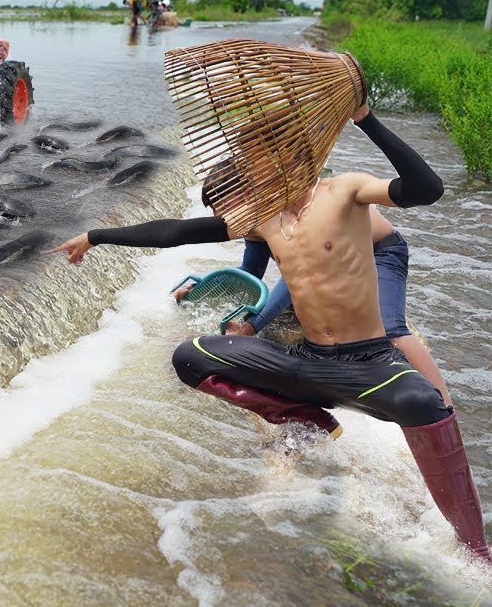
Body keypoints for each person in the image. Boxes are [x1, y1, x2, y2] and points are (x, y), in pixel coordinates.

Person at [47, 104, 491, 563]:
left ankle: (473, 548)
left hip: (368, 363)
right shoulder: (263, 219)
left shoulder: (345, 191)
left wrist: (365, 119)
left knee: (421, 402)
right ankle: (308, 418)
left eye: (251, 154)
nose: (244, 162)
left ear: (288, 155)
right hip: (308, 359)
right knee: (192, 357)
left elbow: (427, 188)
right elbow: (177, 232)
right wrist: (97, 236)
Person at [173, 207, 452, 408]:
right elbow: (249, 272)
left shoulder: (277, 211)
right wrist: (199, 291)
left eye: (224, 210)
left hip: (378, 250)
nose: (225, 222)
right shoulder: (251, 223)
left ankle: (444, 410)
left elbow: (291, 279)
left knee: (391, 331)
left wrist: (251, 326)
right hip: (335, 262)